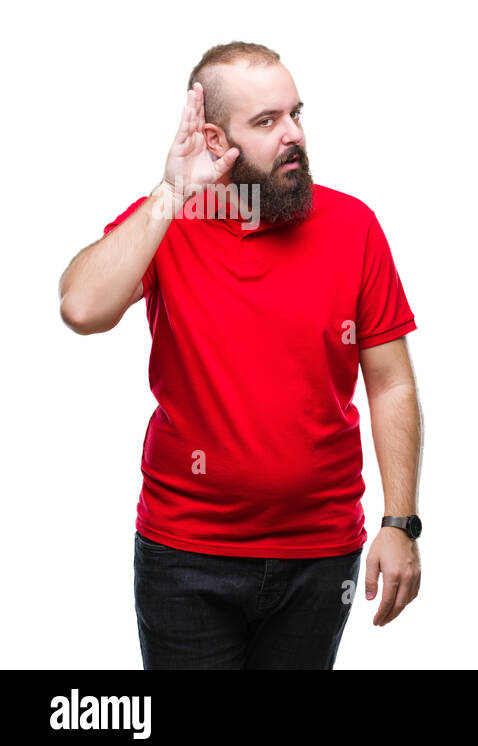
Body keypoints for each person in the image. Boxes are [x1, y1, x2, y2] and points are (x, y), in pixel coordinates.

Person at [58, 41, 424, 669]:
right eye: (266, 122)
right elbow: (81, 309)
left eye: (296, 114)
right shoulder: (169, 219)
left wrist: (400, 522)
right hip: (187, 555)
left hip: (320, 554)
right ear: (213, 138)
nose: (294, 136)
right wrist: (172, 191)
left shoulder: (352, 226)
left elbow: (391, 384)